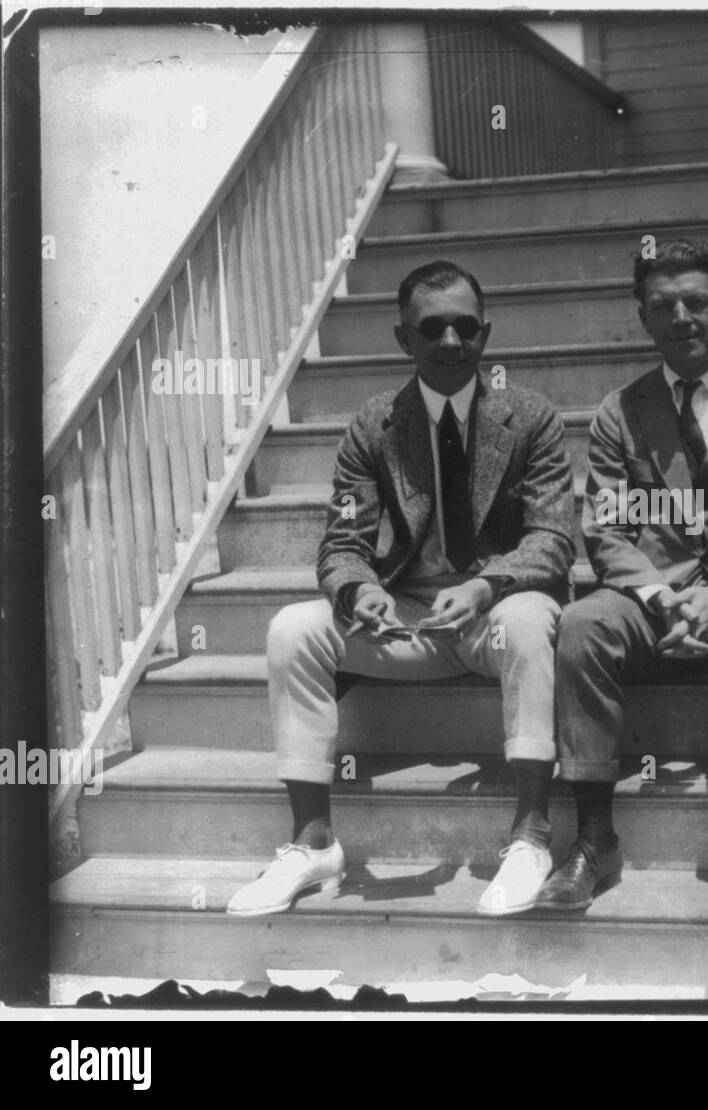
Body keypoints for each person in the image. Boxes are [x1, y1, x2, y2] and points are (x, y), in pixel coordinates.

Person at [227, 260, 575, 918]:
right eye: (433, 327)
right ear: (402, 339)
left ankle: (530, 837)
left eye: (465, 327)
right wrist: (360, 593)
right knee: (292, 630)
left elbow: (553, 540)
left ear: (487, 334)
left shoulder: (531, 419)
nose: (451, 342)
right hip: (407, 620)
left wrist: (484, 586)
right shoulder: (374, 426)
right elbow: (342, 542)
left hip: (492, 614)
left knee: (531, 621)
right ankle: (312, 843)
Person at [536, 238, 708, 916]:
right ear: (643, 317)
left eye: (695, 302)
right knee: (581, 622)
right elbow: (605, 530)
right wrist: (664, 600)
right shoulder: (618, 412)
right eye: (663, 306)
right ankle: (593, 835)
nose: (681, 317)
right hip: (652, 591)